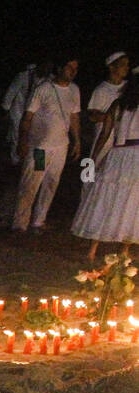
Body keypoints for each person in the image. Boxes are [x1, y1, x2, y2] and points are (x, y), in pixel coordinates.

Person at [71, 78, 139, 258]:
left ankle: (93, 250)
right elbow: (104, 132)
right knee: (131, 201)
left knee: (107, 198)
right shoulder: (118, 104)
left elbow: (105, 134)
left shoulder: (118, 104)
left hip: (117, 155)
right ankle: (124, 250)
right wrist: (92, 159)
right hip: (134, 156)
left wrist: (94, 157)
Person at [12, 57, 81, 233]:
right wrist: (22, 141)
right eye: (69, 67)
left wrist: (77, 140)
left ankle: (38, 221)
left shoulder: (74, 90)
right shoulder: (43, 89)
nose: (72, 71)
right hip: (41, 147)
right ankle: (20, 223)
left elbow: (74, 116)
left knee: (51, 183)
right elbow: (27, 117)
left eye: (75, 68)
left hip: (60, 147)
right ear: (59, 68)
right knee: (32, 183)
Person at [81, 52, 130, 260]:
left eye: (128, 65)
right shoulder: (102, 89)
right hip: (101, 141)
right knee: (89, 182)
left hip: (122, 145)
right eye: (122, 65)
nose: (126, 68)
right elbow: (91, 115)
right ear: (112, 67)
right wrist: (111, 116)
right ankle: (87, 225)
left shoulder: (129, 89)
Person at [2, 62, 44, 164]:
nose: (48, 69)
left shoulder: (49, 80)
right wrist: (6, 110)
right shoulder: (24, 76)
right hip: (19, 112)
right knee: (18, 137)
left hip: (38, 115)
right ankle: (16, 163)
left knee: (41, 140)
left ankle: (39, 164)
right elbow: (10, 93)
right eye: (46, 66)